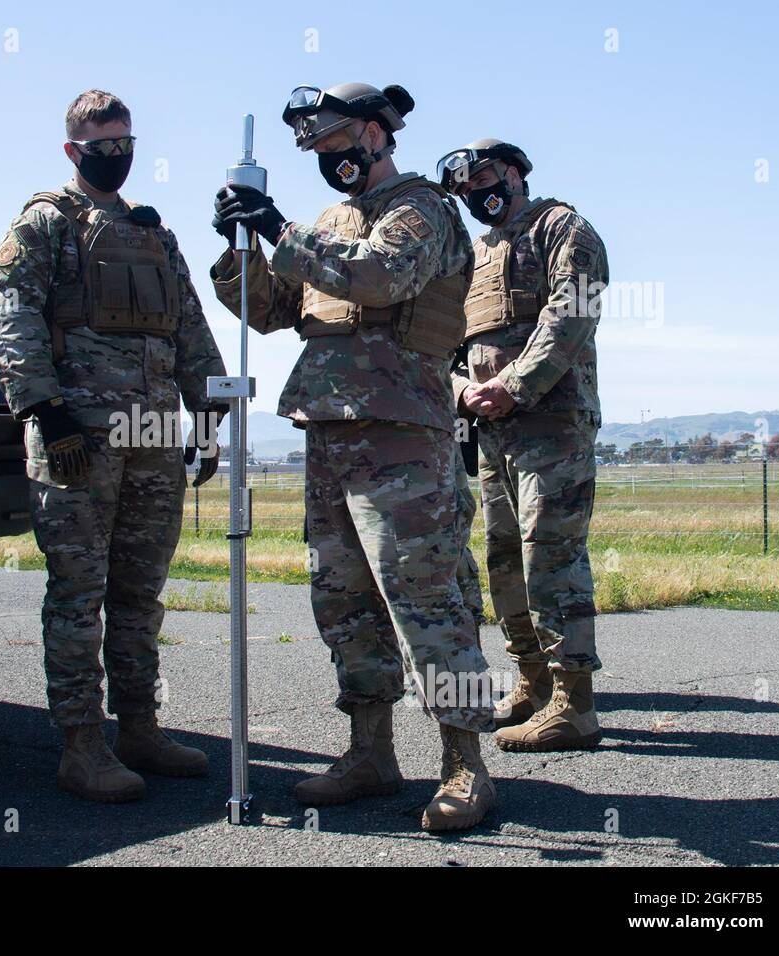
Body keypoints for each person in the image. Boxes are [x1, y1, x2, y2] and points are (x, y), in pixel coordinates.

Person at [212, 83, 497, 831]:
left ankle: (467, 764)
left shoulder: (422, 209)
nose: (328, 158)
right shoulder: (328, 224)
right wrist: (237, 246)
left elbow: (376, 277)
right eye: (317, 150)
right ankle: (370, 751)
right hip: (328, 426)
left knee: (427, 596)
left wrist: (278, 227)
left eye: (338, 143)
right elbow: (271, 313)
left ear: (377, 133)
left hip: (403, 429)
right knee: (342, 598)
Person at [0, 89, 227, 802]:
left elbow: (190, 334)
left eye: (125, 144)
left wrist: (205, 418)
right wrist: (46, 414)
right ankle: (81, 746)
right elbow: (7, 319)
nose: (115, 157)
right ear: (73, 151)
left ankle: (140, 728)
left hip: (152, 437)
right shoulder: (44, 225)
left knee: (139, 593)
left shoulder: (155, 235)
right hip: (78, 440)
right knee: (79, 593)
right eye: (101, 146)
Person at [437, 139, 608, 752]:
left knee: (551, 558)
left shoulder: (563, 228)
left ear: (513, 172)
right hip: (492, 428)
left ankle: (575, 704)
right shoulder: (473, 254)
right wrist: (463, 391)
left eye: (483, 176)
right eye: (464, 187)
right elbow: (444, 340)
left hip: (552, 424)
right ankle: (533, 685)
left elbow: (571, 312)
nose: (476, 191)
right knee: (504, 557)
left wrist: (513, 385)